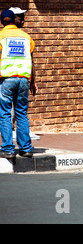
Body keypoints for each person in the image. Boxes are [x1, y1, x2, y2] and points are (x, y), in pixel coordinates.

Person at [0, 9, 37, 159]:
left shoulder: (1, 36)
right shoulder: (26, 37)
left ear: (2, 22)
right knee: (22, 113)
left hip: (6, 80)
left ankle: (8, 149)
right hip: (23, 80)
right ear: (14, 20)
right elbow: (32, 61)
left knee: (5, 114)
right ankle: (26, 148)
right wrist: (34, 82)